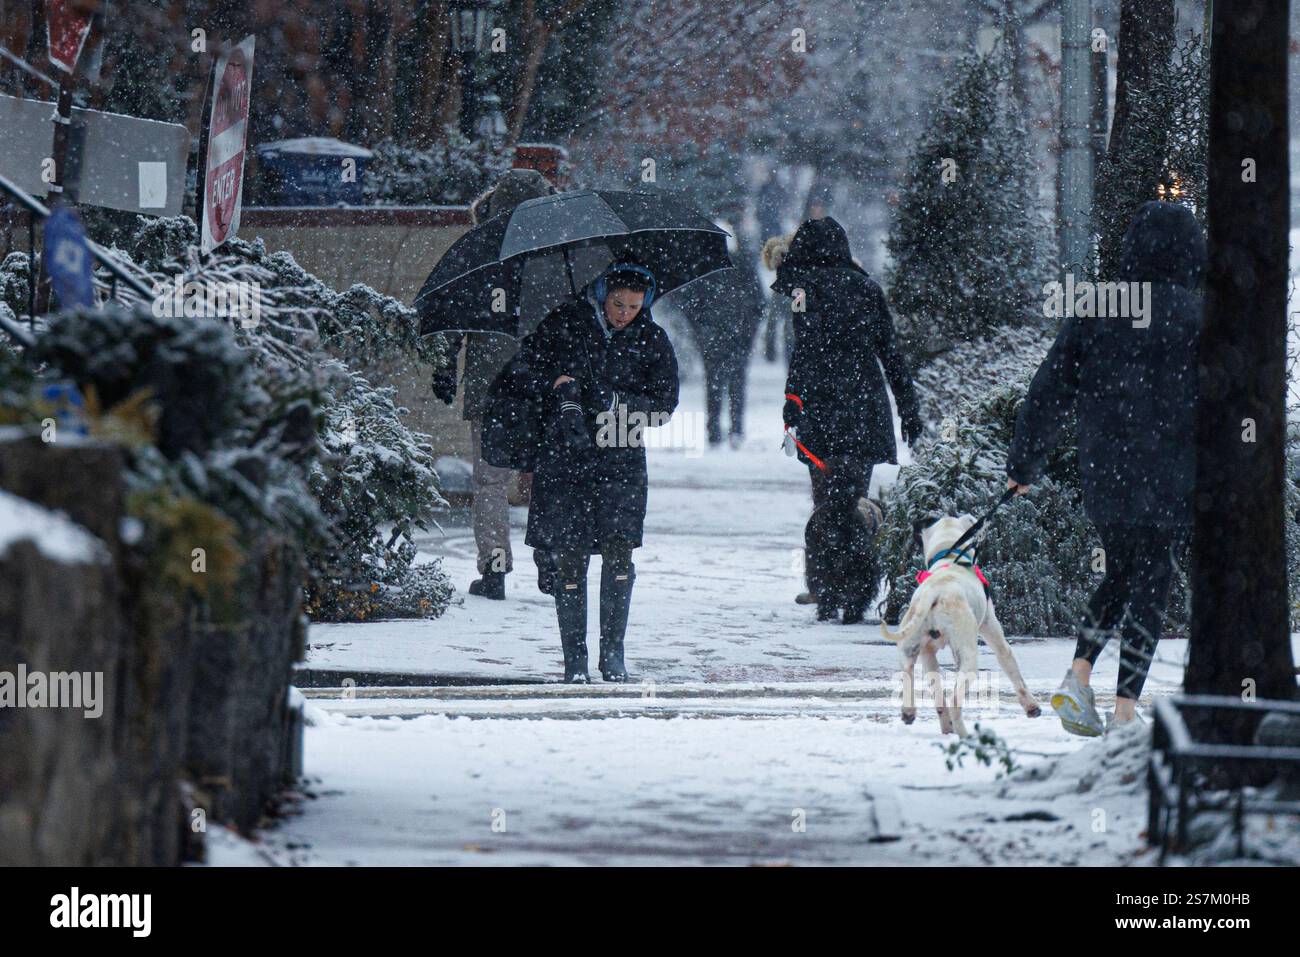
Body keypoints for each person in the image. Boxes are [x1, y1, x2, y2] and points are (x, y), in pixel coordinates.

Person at [1006, 201, 1206, 735]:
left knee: (1119, 569)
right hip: (1172, 471)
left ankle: (1079, 673)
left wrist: (1025, 461)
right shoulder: (1197, 316)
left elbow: (1049, 389)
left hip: (1108, 470)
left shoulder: (1100, 307)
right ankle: (1123, 710)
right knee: (1152, 577)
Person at [488, 261, 679, 682]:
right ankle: (574, 660)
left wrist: (615, 401)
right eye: (617, 303)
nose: (624, 313)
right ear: (603, 294)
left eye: (633, 305)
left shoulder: (651, 339)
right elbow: (521, 374)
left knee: (619, 553)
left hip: (621, 457)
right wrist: (555, 385)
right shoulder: (565, 323)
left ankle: (613, 654)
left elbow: (665, 404)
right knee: (570, 557)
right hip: (566, 455)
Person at [774, 217, 922, 623]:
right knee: (853, 500)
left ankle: (826, 586)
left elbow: (802, 352)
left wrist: (792, 402)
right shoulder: (866, 289)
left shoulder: (805, 290)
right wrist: (908, 409)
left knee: (826, 500)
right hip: (863, 405)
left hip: (821, 405)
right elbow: (890, 353)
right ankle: (855, 584)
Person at [431, 168, 556, 601]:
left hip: (491, 380)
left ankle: (495, 569)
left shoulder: (476, 252)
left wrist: (446, 363)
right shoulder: (557, 251)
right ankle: (552, 560)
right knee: (549, 473)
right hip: (548, 380)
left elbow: (451, 308)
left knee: (489, 481)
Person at [676, 235, 765, 446]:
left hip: (729, 336)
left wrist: (746, 330)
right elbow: (690, 303)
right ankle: (722, 430)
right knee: (724, 382)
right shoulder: (710, 268)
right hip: (719, 336)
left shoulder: (713, 267)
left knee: (726, 382)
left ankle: (729, 429)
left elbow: (758, 303)